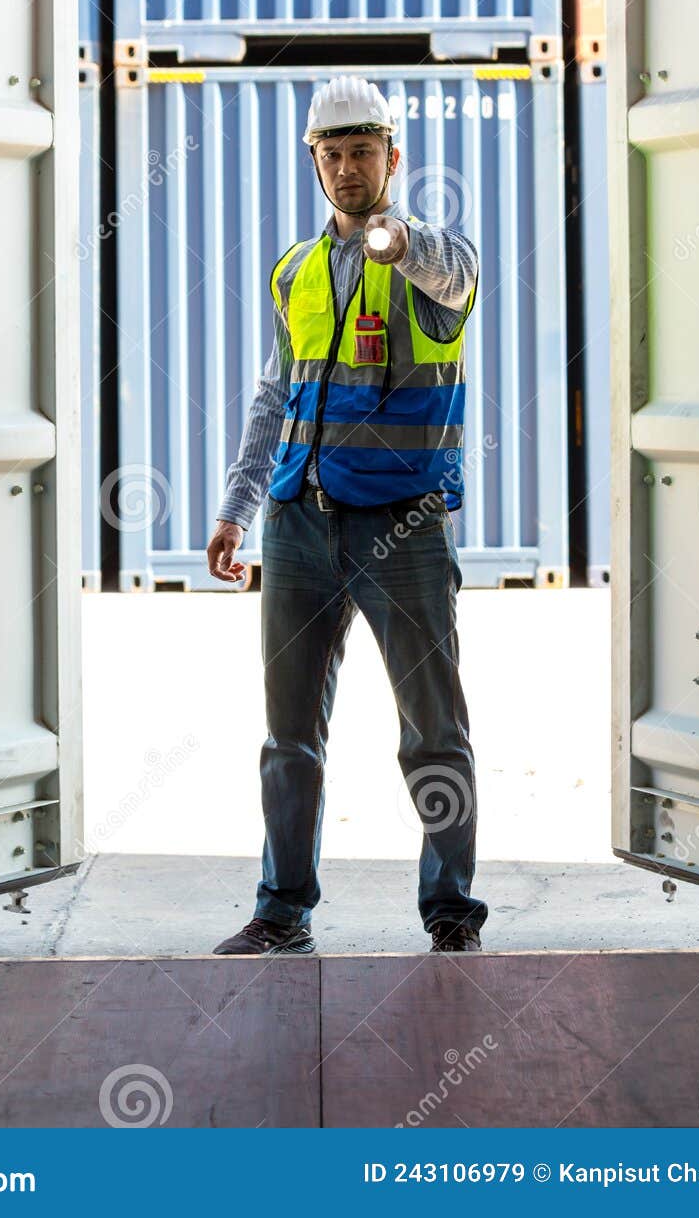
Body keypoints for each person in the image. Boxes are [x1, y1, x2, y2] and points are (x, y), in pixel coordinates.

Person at [205, 74, 487, 957]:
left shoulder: (438, 261)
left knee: (432, 732)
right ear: (315, 165)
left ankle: (450, 913)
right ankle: (281, 911)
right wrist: (236, 507)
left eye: (362, 151)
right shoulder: (293, 269)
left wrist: (396, 241)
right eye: (330, 154)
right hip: (296, 524)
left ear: (392, 157)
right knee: (288, 734)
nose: (346, 167)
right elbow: (273, 395)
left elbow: (445, 267)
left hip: (402, 527)